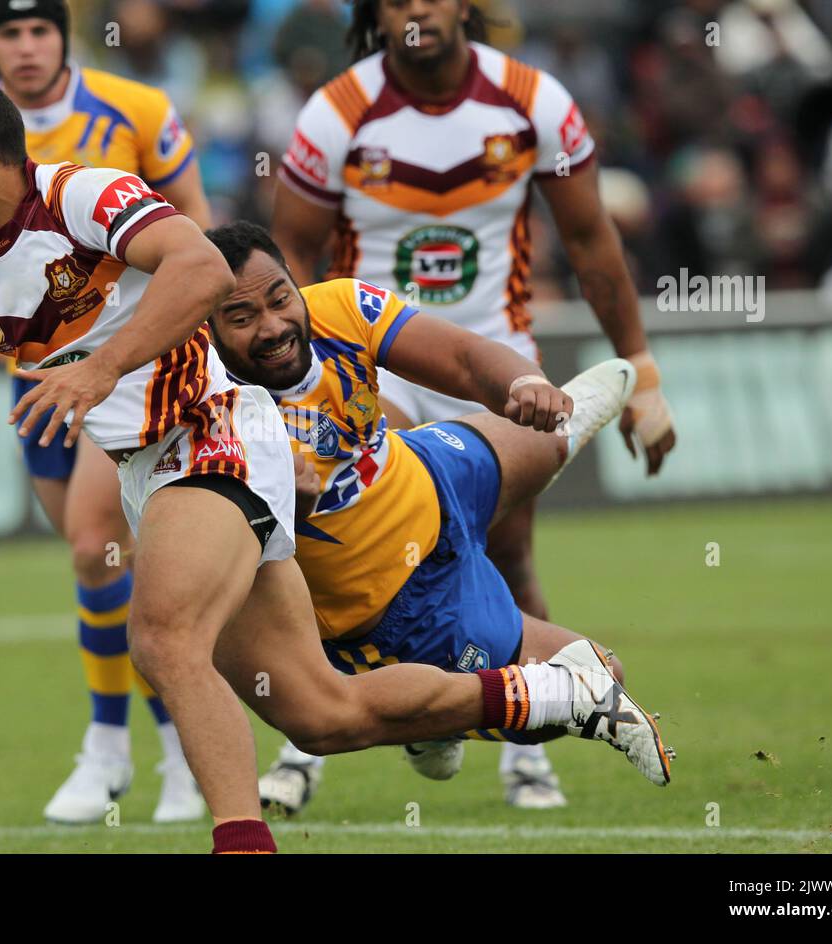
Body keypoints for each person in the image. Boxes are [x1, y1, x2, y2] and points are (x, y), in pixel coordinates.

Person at [0, 76, 671, 853]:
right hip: (154, 469)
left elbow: (201, 266)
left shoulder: (81, 196)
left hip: (215, 424)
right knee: (322, 715)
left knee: (163, 637)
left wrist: (99, 367)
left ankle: (239, 844)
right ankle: (560, 697)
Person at [268, 0, 677, 810]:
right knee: (350, 556)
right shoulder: (336, 112)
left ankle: (520, 741)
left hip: (489, 358)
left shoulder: (534, 101)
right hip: (372, 361)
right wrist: (314, 390)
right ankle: (319, 736)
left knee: (509, 551)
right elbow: (289, 262)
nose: (414, 8)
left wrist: (641, 367)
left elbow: (593, 241)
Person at [0, 0, 212, 825]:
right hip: (43, 384)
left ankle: (118, 748)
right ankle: (147, 752)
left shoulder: (122, 127)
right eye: (8, 34)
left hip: (138, 380)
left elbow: (200, 243)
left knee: (99, 546)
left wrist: (101, 360)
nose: (25, 45)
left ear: (63, 38)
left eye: (38, 29)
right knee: (101, 569)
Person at [204, 220, 671, 803]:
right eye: (242, 318)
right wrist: (277, 508)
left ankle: (564, 423)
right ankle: (434, 717)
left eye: (279, 299)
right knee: (600, 677)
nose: (273, 327)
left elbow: (466, 357)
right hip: (406, 599)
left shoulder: (341, 305)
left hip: (427, 472)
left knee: (545, 430)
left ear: (297, 286)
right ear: (209, 329)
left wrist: (522, 382)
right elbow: (223, 557)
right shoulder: (210, 409)